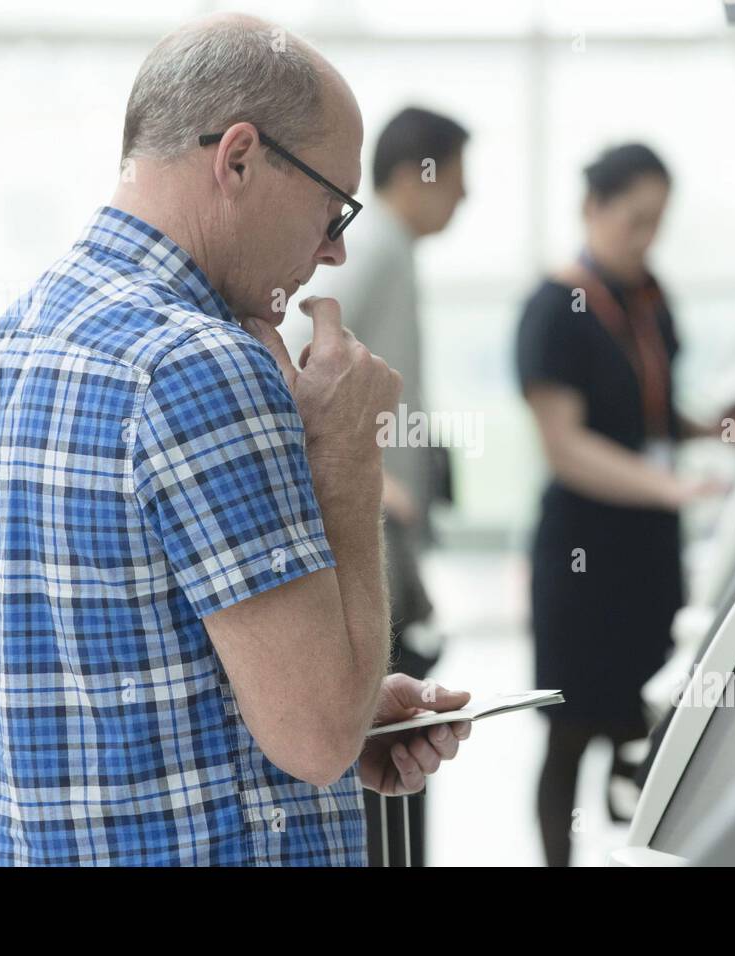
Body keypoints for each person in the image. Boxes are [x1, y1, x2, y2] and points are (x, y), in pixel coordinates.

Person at [0, 13, 473, 867]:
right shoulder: (200, 363)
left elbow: (106, 681)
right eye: (333, 207)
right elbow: (319, 735)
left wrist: (337, 707)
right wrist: (344, 455)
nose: (332, 252)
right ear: (241, 158)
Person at [516, 143, 715, 867]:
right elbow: (565, 444)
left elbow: (649, 413)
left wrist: (721, 425)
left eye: (658, 223)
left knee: (646, 718)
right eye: (634, 220)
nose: (646, 238)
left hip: (648, 551)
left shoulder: (649, 298)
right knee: (570, 731)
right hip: (583, 553)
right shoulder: (557, 308)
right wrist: (667, 485)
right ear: (591, 209)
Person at [296, 106, 469, 866]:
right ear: (414, 176)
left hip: (386, 509)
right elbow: (309, 355)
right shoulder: (377, 250)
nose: (464, 199)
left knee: (396, 711)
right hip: (371, 519)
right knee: (387, 713)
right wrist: (375, 480)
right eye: (456, 181)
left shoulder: (394, 249)